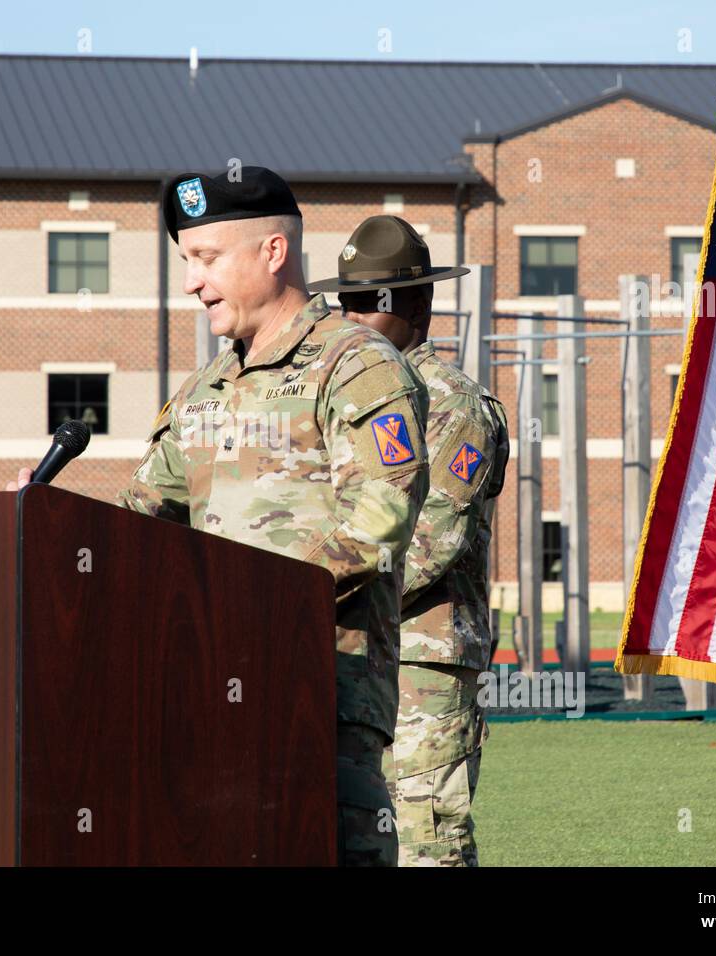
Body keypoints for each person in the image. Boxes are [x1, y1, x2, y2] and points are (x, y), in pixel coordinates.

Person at [9, 168, 429, 866]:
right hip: (205, 698)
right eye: (185, 262)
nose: (192, 282)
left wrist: (236, 607)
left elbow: (378, 525)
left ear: (273, 252)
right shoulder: (205, 389)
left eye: (207, 259)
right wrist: (53, 521)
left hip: (321, 700)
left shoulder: (355, 368)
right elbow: (142, 521)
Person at [308, 215, 509, 866]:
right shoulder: (340, 394)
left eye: (372, 302)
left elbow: (428, 545)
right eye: (347, 301)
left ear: (418, 303)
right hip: (352, 659)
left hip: (423, 661)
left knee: (428, 846)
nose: (354, 317)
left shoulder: (453, 405)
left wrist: (305, 592)